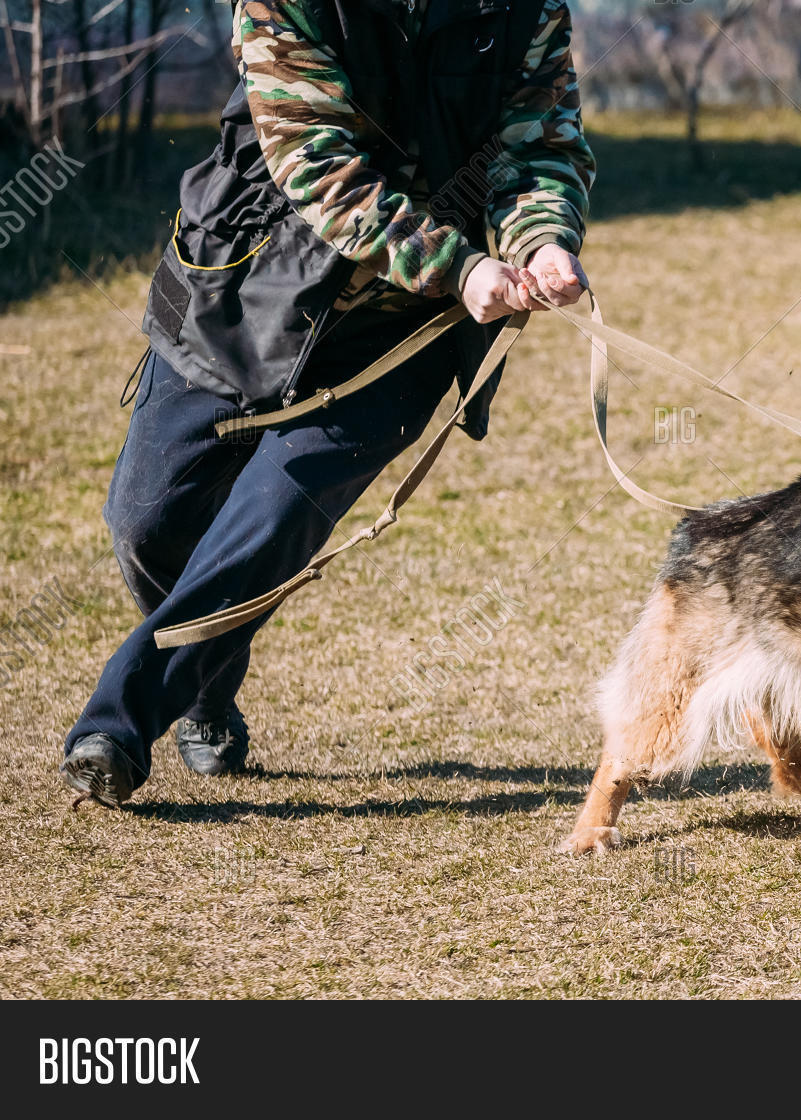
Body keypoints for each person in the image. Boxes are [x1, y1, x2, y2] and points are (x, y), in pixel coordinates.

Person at [59, 0, 595, 806]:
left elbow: (539, 145)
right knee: (145, 524)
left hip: (400, 331)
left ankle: (118, 727)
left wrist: (542, 239)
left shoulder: (528, 8)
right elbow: (315, 158)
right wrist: (456, 265)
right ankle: (204, 689)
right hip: (239, 291)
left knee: (268, 526)